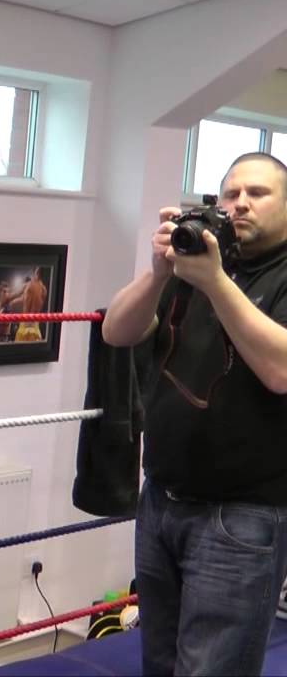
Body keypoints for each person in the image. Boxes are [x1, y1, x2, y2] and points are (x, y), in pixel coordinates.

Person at [101, 151, 287, 675]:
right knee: (159, 662)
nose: (241, 204)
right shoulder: (198, 259)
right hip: (162, 501)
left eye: (258, 193)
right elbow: (117, 331)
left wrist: (214, 281)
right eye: (231, 195)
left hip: (242, 515)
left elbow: (280, 372)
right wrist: (159, 272)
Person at [10, 267, 48, 342]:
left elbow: (12, 302)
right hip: (35, 328)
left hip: (24, 326)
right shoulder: (43, 290)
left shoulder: (26, 288)